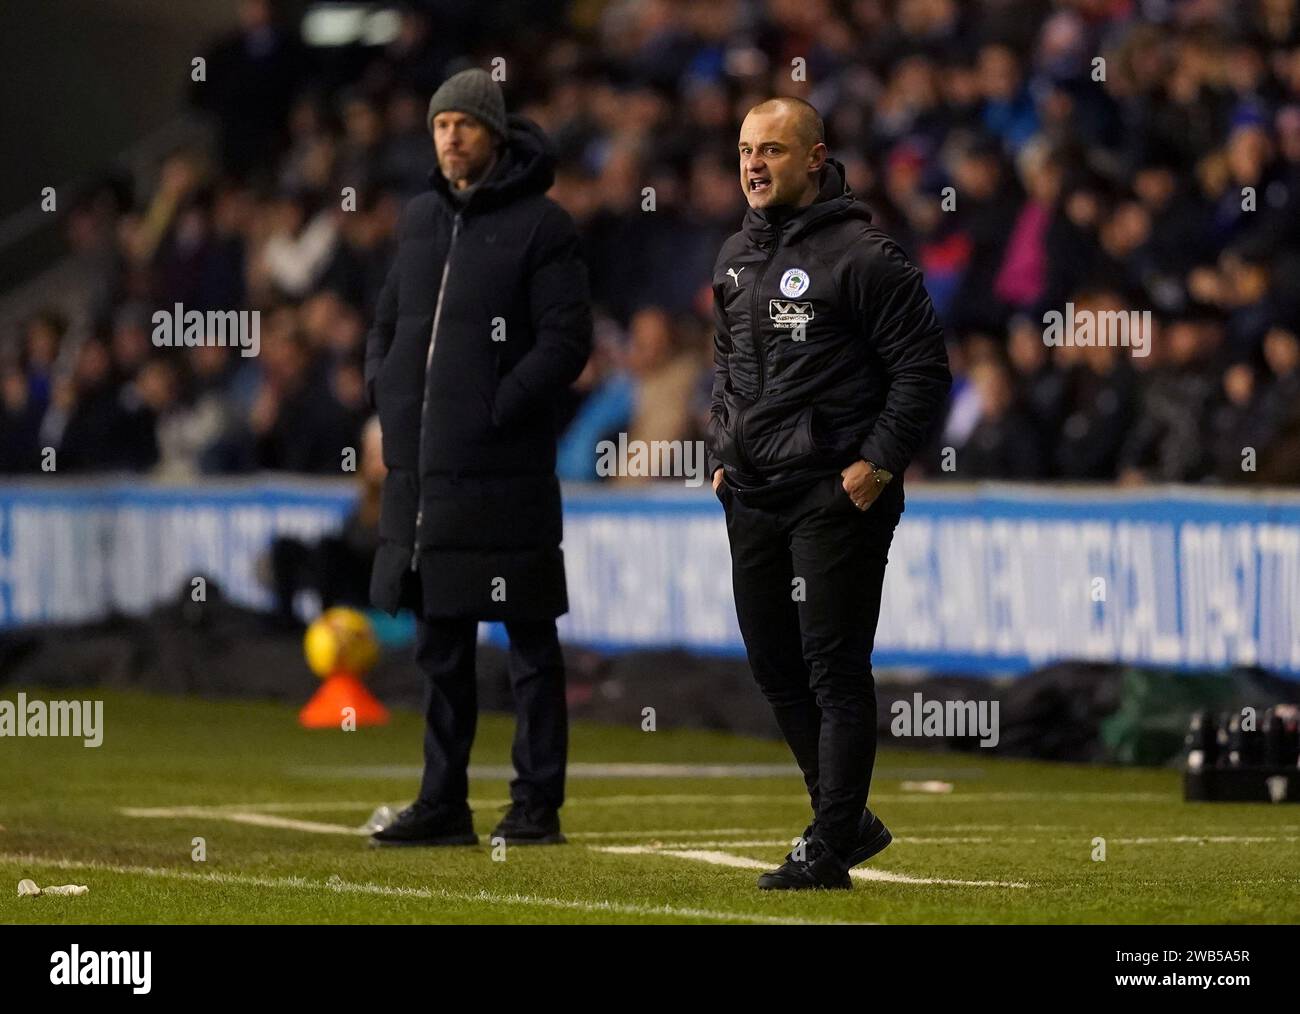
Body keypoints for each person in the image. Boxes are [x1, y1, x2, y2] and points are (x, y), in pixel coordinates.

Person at [706, 97, 951, 889]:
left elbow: (923, 369)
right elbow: (727, 365)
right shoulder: (734, 257)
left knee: (833, 667)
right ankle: (846, 821)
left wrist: (877, 463)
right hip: (752, 491)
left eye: (772, 149)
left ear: (815, 158)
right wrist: (721, 448)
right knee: (773, 664)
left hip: (834, 493)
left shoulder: (866, 256)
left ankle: (828, 843)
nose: (754, 163)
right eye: (746, 149)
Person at [364, 69, 593, 848]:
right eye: (440, 124)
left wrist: (496, 406)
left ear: (495, 134)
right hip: (425, 478)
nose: (451, 136)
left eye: (464, 123)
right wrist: (388, 389)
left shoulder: (543, 225)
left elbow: (566, 342)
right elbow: (388, 323)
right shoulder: (420, 218)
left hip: (506, 473)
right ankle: (443, 802)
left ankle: (537, 804)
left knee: (529, 641)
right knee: (439, 646)